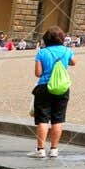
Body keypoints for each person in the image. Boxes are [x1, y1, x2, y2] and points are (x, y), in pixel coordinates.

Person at [31, 27, 75, 157]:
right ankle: (54, 149)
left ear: (46, 39)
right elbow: (74, 62)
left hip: (44, 87)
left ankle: (40, 150)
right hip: (62, 88)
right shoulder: (67, 50)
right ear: (62, 38)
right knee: (58, 119)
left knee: (43, 120)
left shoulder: (42, 52)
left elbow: (38, 73)